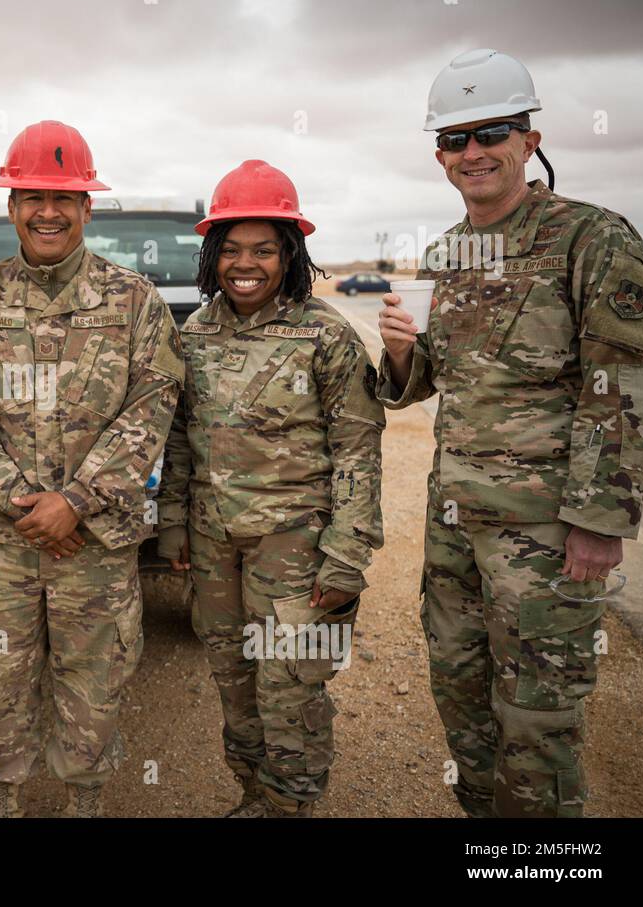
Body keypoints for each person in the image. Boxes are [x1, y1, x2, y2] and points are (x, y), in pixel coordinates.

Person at [377, 49, 643, 817]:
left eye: (492, 131)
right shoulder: (445, 257)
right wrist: (401, 353)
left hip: (547, 536)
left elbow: (627, 383)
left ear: (529, 139)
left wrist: (600, 520)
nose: (475, 152)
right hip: (457, 529)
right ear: (440, 156)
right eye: (457, 139)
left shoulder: (593, 240)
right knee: (462, 699)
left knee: (537, 722)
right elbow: (428, 379)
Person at [0, 120, 184, 817]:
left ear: (86, 207)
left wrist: (76, 500)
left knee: (94, 682)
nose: (48, 210)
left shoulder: (134, 303)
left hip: (93, 543)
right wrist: (28, 506)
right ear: (10, 206)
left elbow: (152, 406)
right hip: (0, 544)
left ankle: (85, 806)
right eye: (32, 196)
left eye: (64, 198)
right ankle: (3, 806)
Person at [157, 160, 384, 817]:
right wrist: (173, 523)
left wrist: (347, 554)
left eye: (263, 249)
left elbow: (358, 451)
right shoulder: (194, 333)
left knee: (291, 688)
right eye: (230, 249)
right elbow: (177, 439)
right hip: (214, 546)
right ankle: (255, 794)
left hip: (298, 551)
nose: (244, 263)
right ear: (212, 256)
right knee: (234, 679)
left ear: (290, 254)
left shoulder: (328, 336)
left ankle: (291, 806)